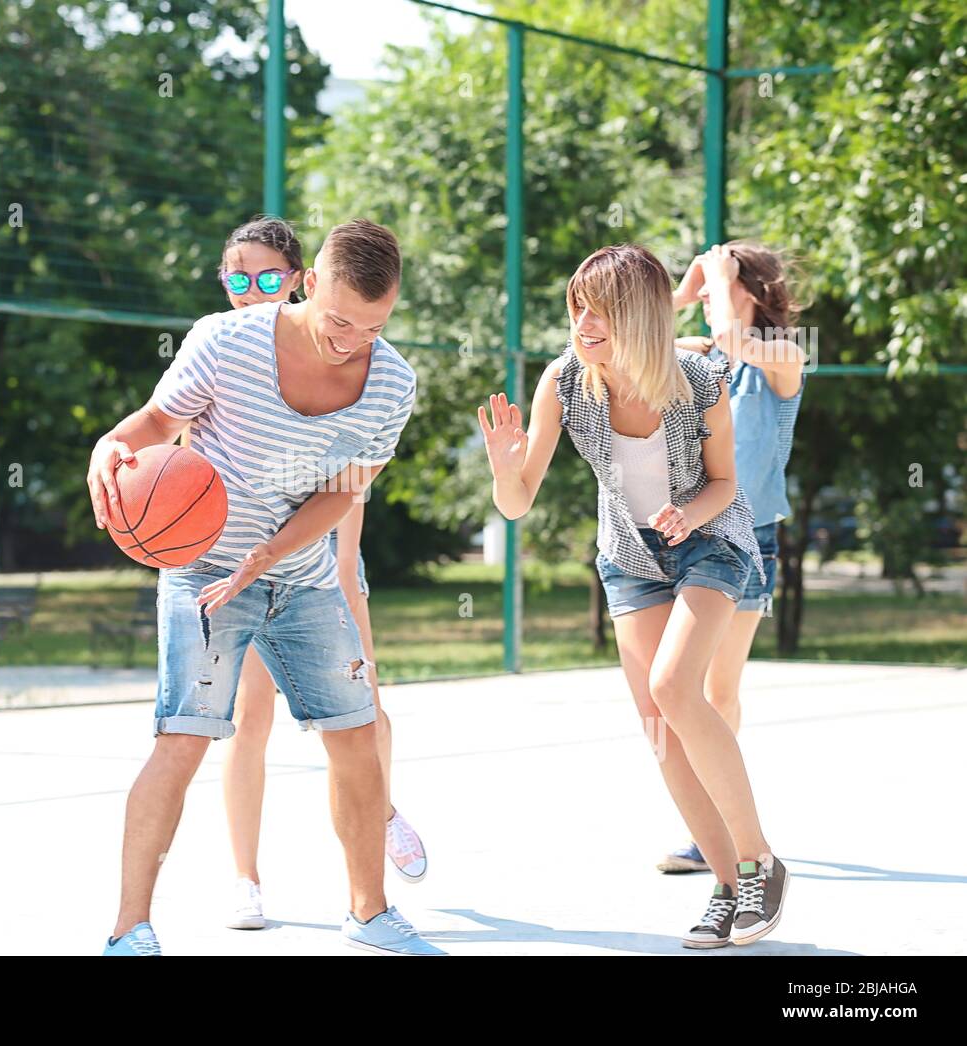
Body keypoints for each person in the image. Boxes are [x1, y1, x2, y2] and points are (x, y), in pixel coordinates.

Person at [89, 219, 443, 956]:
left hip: (305, 577)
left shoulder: (394, 383)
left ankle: (369, 914)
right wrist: (111, 443)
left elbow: (344, 492)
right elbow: (158, 421)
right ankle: (129, 930)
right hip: (206, 572)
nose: (351, 341)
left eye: (372, 327)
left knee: (355, 740)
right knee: (182, 741)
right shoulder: (225, 340)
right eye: (339, 321)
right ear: (307, 285)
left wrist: (271, 553)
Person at [478, 244, 788, 949]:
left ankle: (761, 864)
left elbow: (724, 484)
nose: (583, 322)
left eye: (600, 310)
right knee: (660, 729)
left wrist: (691, 516)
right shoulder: (564, 383)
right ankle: (729, 887)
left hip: (712, 543)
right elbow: (519, 502)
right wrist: (504, 469)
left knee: (677, 687)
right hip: (630, 561)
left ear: (640, 317)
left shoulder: (699, 380)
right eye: (576, 306)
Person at [212, 217, 427, 932]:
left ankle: (380, 812)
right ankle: (245, 877)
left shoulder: (354, 358)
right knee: (250, 717)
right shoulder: (220, 350)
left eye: (267, 278)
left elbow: (347, 491)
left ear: (301, 282)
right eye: (236, 277)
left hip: (324, 560)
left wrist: (341, 576)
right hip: (240, 563)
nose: (251, 291)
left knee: (364, 711)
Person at [658, 241, 807, 874]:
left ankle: (717, 828)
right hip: (684, 536)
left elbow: (731, 334)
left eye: (725, 280)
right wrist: (686, 287)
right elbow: (641, 334)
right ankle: (708, 822)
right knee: (680, 686)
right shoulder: (702, 356)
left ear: (748, 287)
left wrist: (717, 277)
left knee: (718, 687)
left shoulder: (784, 357)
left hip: (749, 541)